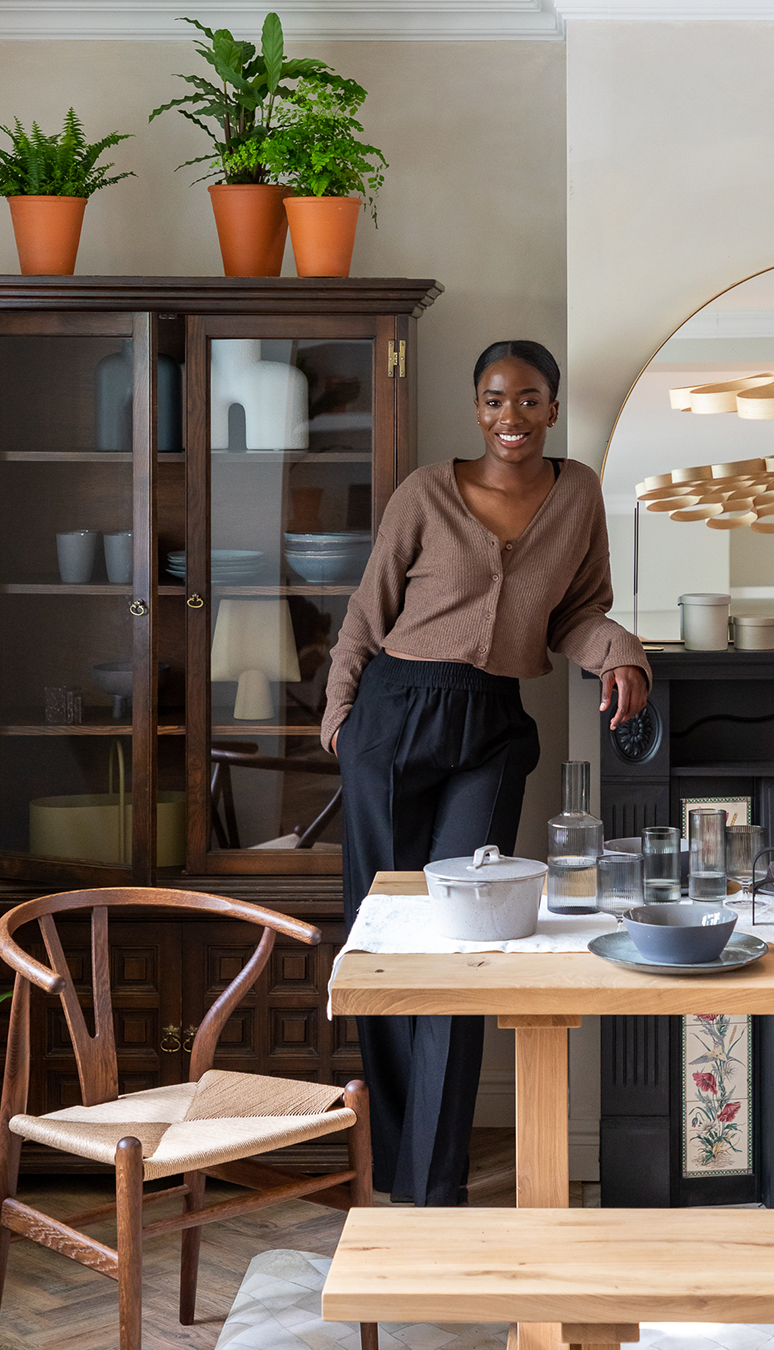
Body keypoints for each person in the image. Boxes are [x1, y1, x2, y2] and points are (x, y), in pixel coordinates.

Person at [320, 339, 650, 1206]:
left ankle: (435, 1177)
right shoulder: (425, 491)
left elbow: (579, 612)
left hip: (494, 723)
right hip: (394, 713)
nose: (513, 418)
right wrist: (341, 716)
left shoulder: (576, 492)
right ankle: (397, 1167)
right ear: (478, 408)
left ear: (551, 405)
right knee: (390, 936)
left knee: (470, 939)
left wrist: (623, 655)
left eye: (530, 400)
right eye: (496, 401)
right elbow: (368, 605)